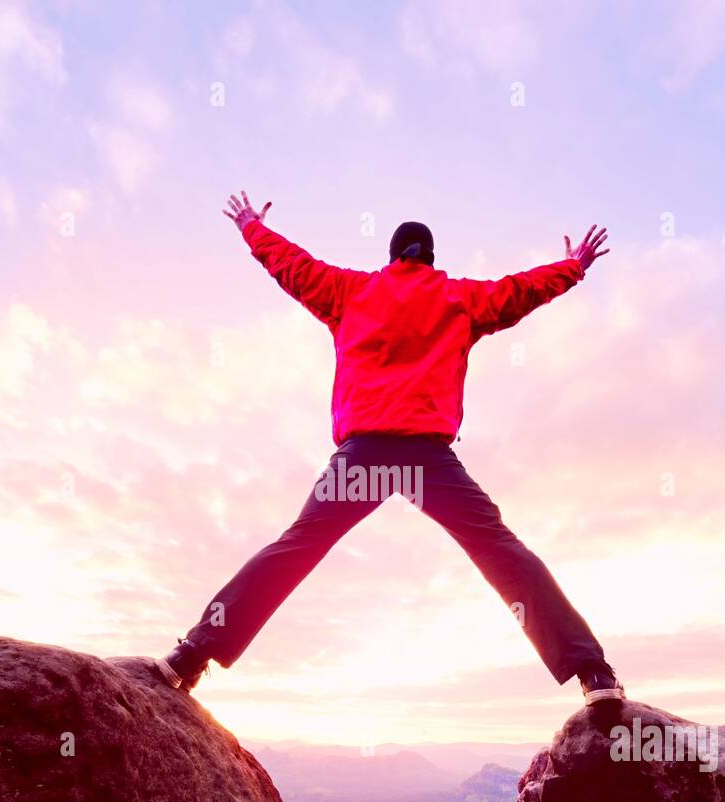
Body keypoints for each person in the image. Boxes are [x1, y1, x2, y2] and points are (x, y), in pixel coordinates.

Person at [155, 190, 624, 708]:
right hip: (428, 459)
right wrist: (572, 267)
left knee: (294, 549)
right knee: (500, 551)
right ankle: (594, 675)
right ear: (430, 257)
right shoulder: (458, 298)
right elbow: (518, 291)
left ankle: (192, 656)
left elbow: (293, 266)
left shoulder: (351, 291)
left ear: (393, 255)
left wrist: (251, 228)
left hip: (364, 456)